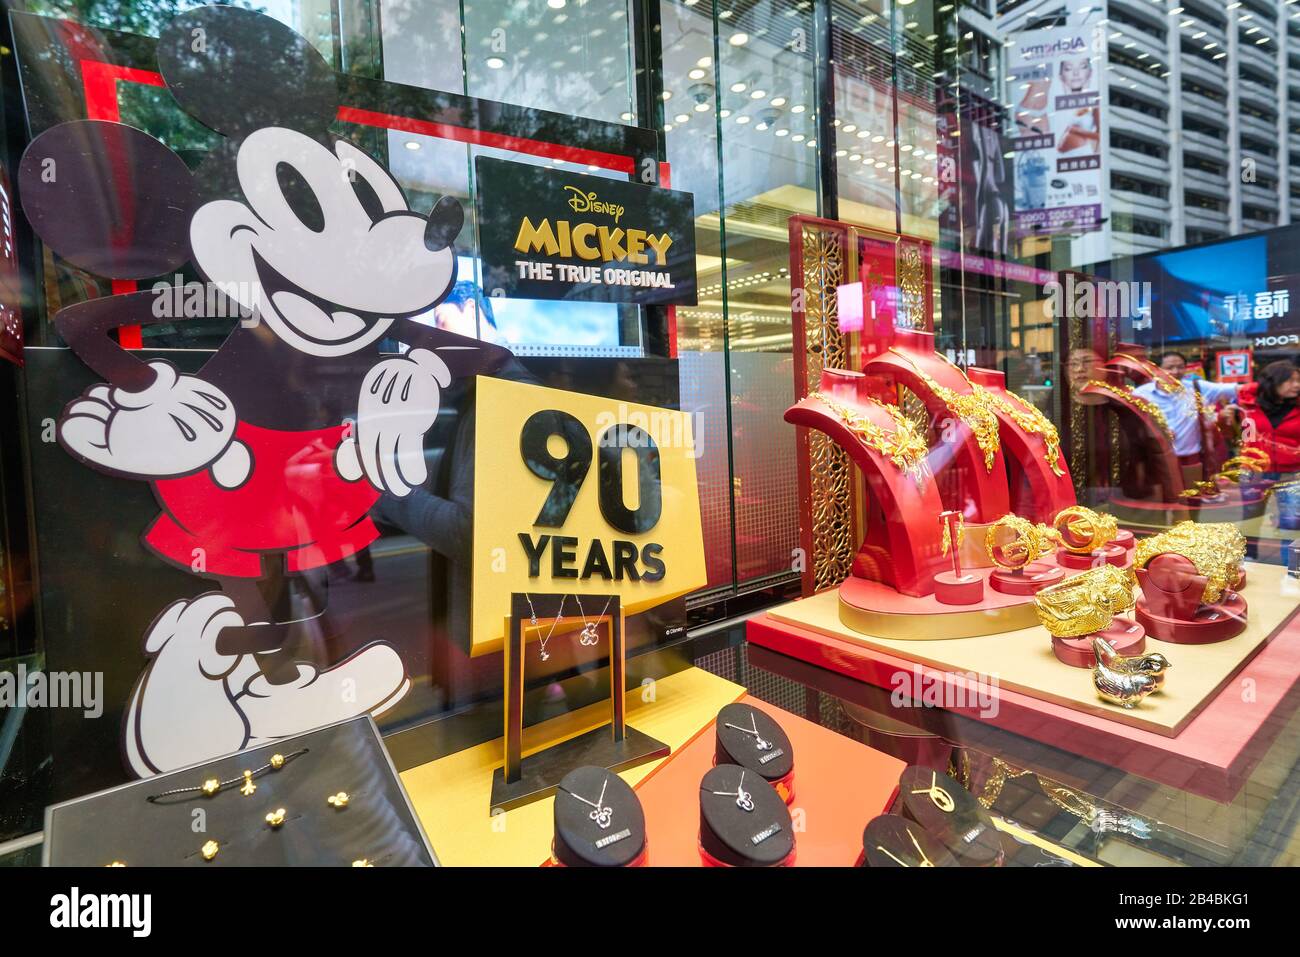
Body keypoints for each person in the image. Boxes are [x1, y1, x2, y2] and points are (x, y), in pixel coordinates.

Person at [1131, 350, 1238, 477]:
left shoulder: (1197, 388)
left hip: (1190, 457)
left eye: (1181, 367)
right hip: (1157, 458)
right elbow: (1133, 425)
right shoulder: (1141, 394)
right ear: (1157, 370)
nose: (1176, 372)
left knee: (1192, 493)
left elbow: (1234, 389)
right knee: (1164, 495)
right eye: (1170, 368)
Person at [1241, 360, 1300, 475]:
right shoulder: (1247, 406)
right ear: (1274, 381)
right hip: (1254, 472)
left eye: (1298, 380)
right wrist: (1224, 420)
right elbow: (1242, 437)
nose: (1297, 385)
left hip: (1293, 473)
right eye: (1290, 380)